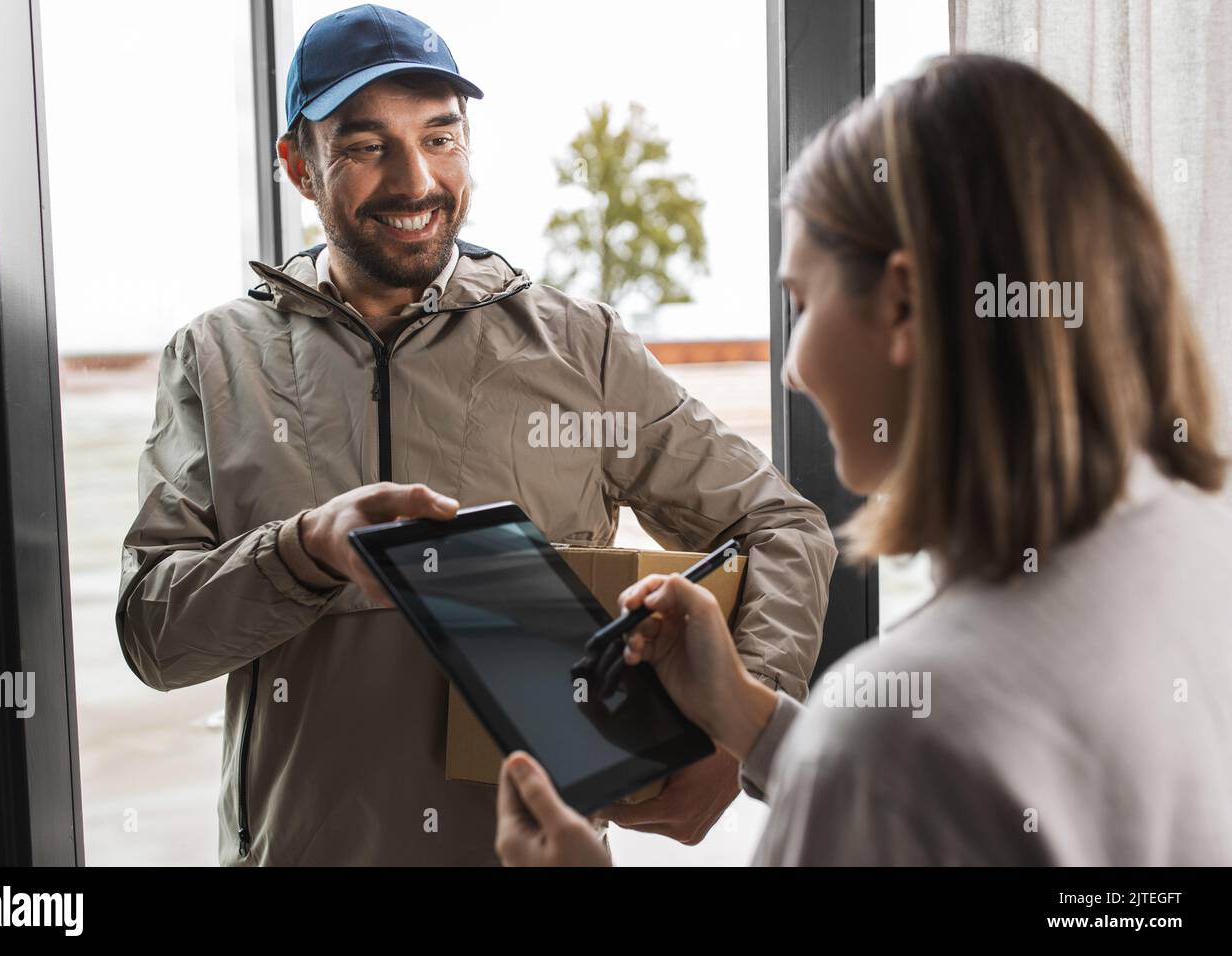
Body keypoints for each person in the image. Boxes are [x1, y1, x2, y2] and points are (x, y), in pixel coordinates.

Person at [115, 3, 837, 865]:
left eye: (441, 137)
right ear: (299, 167)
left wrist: (739, 732)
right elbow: (154, 638)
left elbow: (782, 526)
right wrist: (302, 550)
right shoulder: (214, 358)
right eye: (364, 144)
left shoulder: (581, 347)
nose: (415, 180)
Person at [494, 53, 1232, 866]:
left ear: (904, 303)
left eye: (802, 304)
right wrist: (750, 716)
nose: (791, 367)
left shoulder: (893, 744)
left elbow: (902, 774)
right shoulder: (1202, 546)